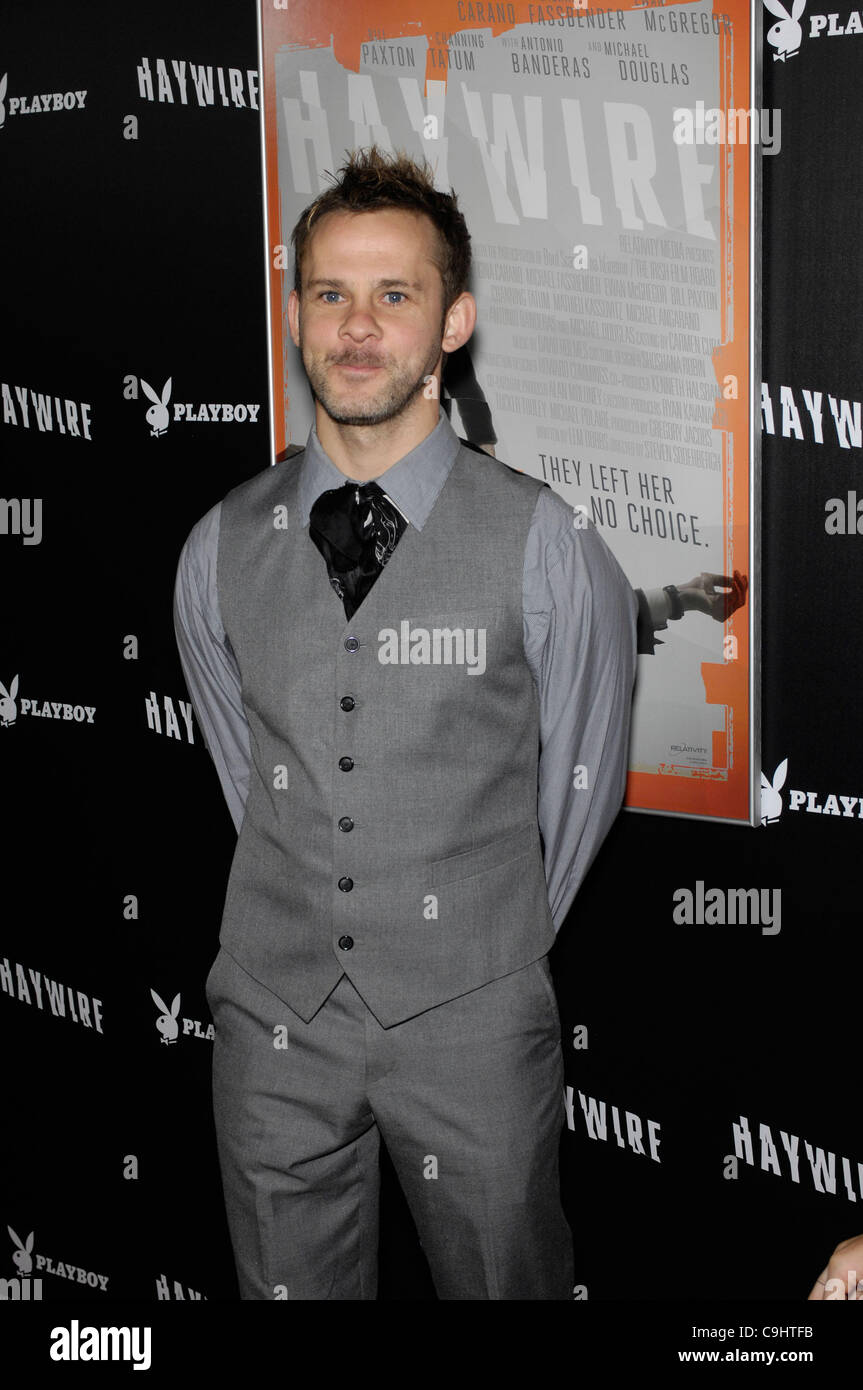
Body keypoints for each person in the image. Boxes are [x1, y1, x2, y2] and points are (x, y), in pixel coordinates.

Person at [173, 146, 637, 1300]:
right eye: (330, 292)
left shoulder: (546, 541)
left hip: (472, 1029)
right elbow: (251, 779)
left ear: (453, 320)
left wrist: (468, 955)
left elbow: (577, 791)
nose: (358, 325)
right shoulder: (219, 544)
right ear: (295, 313)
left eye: (396, 294)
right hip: (271, 1023)